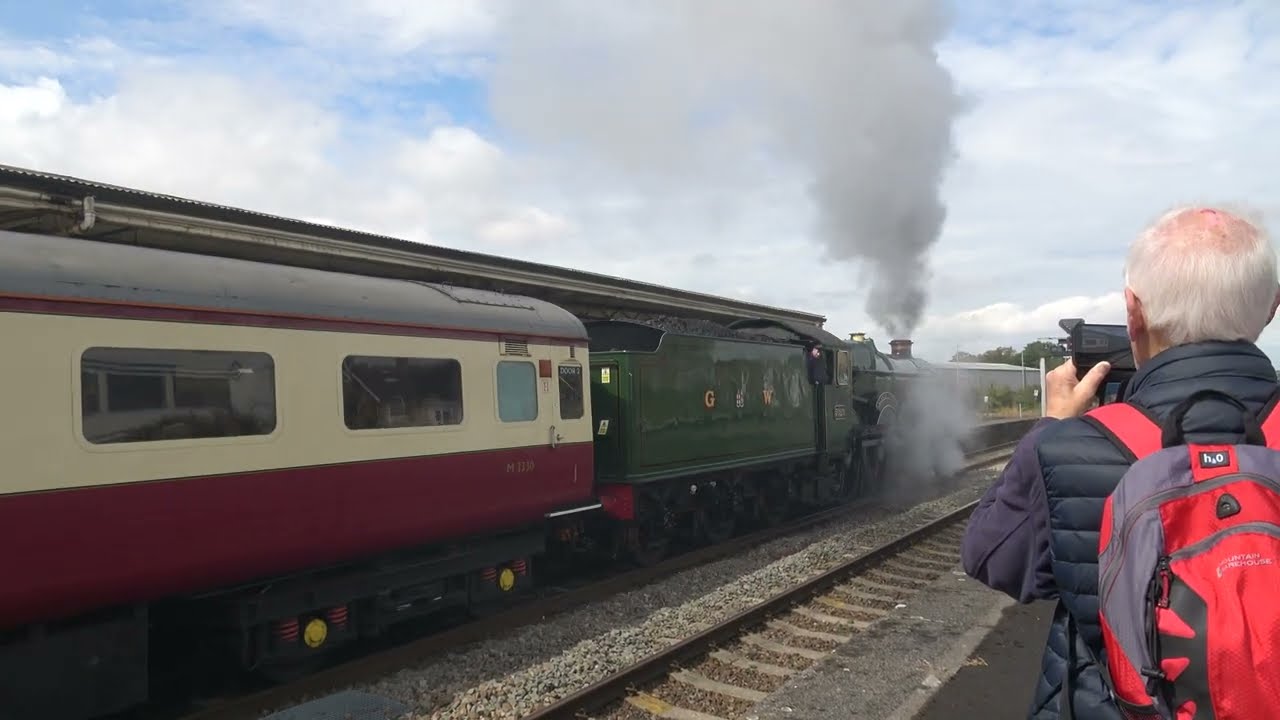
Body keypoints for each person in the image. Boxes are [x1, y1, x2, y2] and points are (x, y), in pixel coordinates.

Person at [960, 205, 1280, 719]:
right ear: (1272, 308)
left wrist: (1053, 426)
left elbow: (994, 558)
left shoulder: (1073, 448)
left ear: (1134, 311)